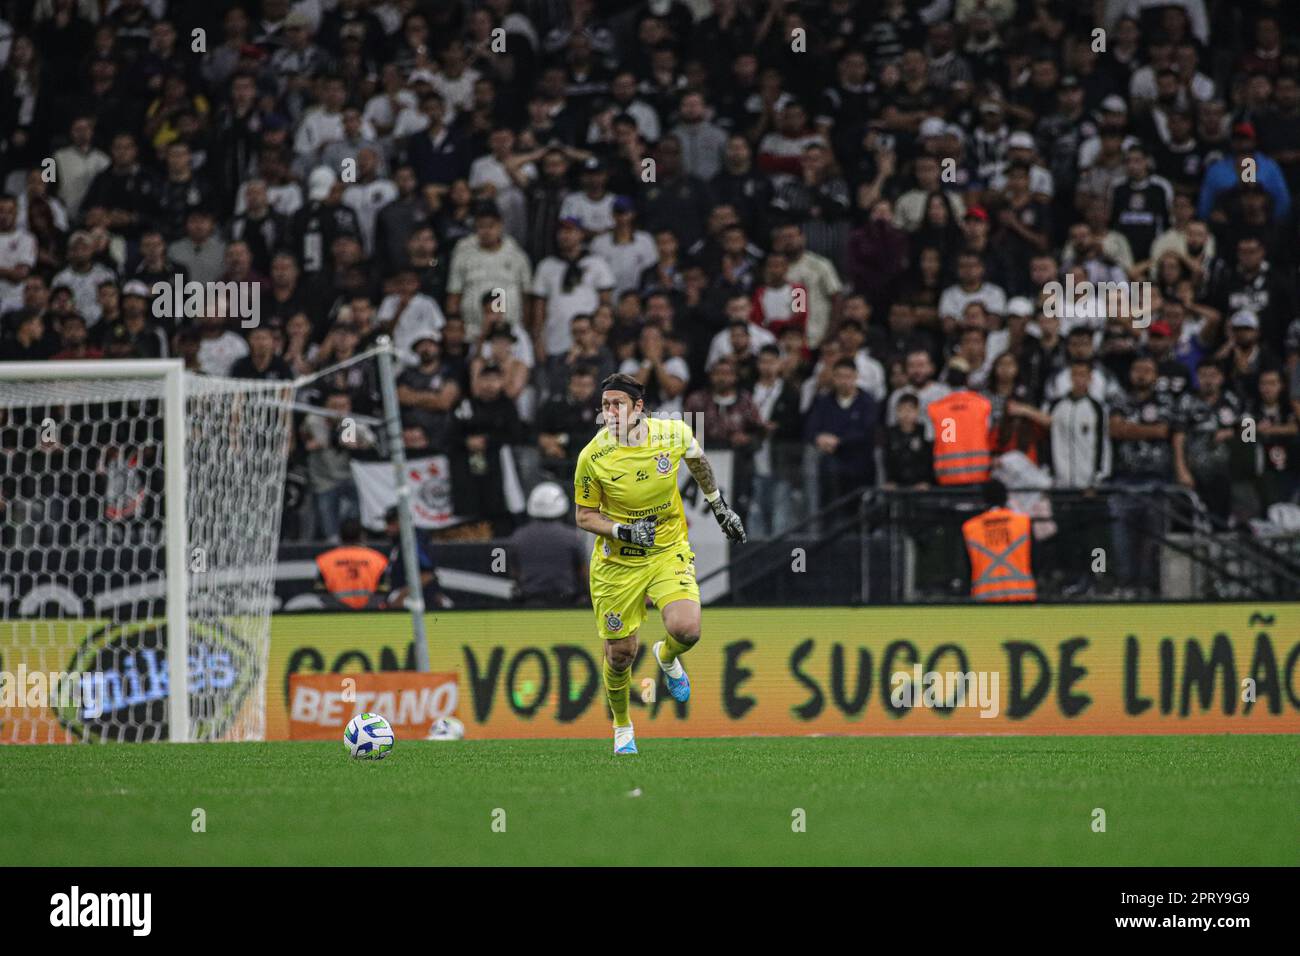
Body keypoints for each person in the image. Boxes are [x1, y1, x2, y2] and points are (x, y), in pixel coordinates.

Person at [573, 372, 746, 755]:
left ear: (638, 407)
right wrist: (622, 531)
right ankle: (622, 727)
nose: (610, 412)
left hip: (667, 549)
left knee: (687, 630)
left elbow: (698, 461)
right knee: (620, 655)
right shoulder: (593, 457)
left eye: (618, 404)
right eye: (605, 406)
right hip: (618, 564)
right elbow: (584, 516)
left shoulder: (673, 433)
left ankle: (666, 657)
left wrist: (719, 507)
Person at [507, 482, 588, 607]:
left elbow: (514, 573)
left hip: (530, 604)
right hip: (567, 604)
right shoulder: (572, 537)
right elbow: (583, 574)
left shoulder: (518, 537)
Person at [962, 479, 1037, 602]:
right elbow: (1036, 559)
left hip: (985, 597)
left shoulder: (970, 528)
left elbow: (967, 568)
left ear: (983, 499)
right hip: (1022, 596)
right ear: (1006, 498)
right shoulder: (1024, 522)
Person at [314, 518, 389, 610]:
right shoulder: (378, 559)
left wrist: (342, 610)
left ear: (340, 536)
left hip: (337, 616)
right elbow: (383, 591)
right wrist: (367, 610)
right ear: (362, 536)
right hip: (370, 616)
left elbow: (321, 593)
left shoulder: (325, 560)